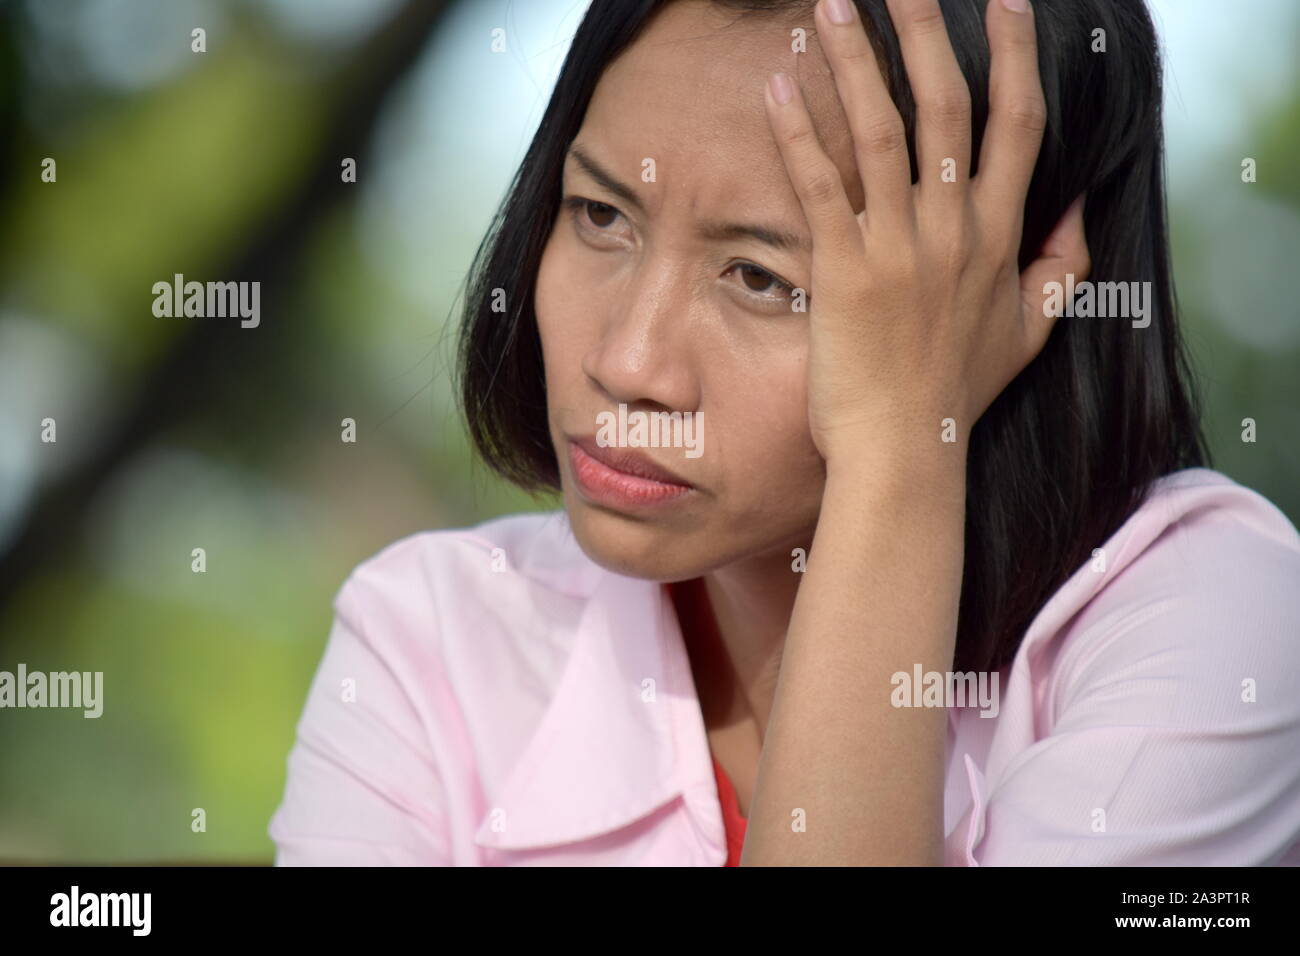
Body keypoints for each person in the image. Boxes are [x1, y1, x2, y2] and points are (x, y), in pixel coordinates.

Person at [268, 0, 1300, 865]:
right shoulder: (434, 637)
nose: (627, 363)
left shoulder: (1215, 614)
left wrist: (901, 444)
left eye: (761, 278)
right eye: (599, 215)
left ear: (998, 295)